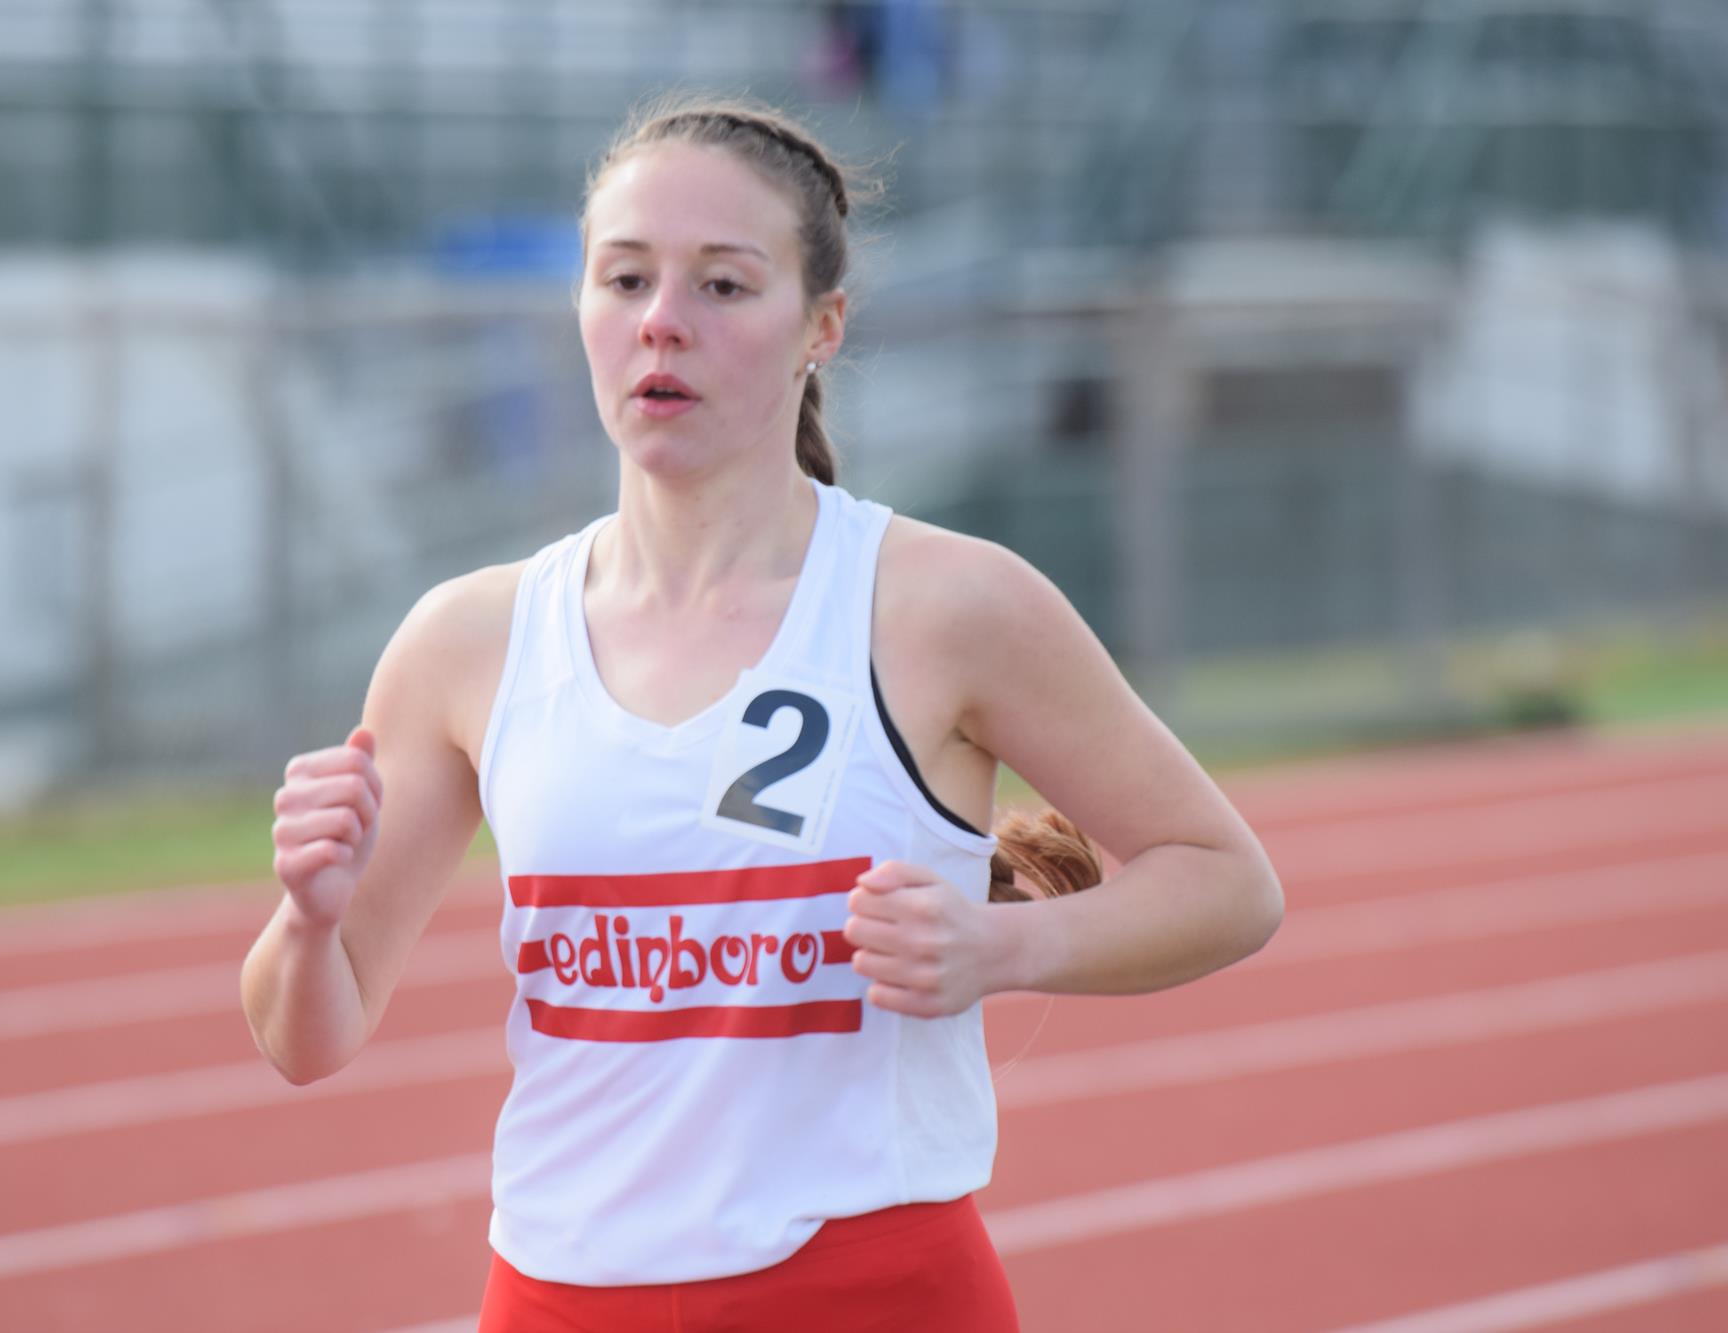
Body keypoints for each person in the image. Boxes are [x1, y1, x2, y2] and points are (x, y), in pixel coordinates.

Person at [241, 92, 1284, 1333]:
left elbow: (1225, 880)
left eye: (723, 287)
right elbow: (308, 1036)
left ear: (820, 327)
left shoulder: (943, 606)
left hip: (871, 1293)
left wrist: (1001, 951)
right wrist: (308, 920)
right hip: (558, 1297)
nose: (660, 326)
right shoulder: (467, 640)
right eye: (622, 280)